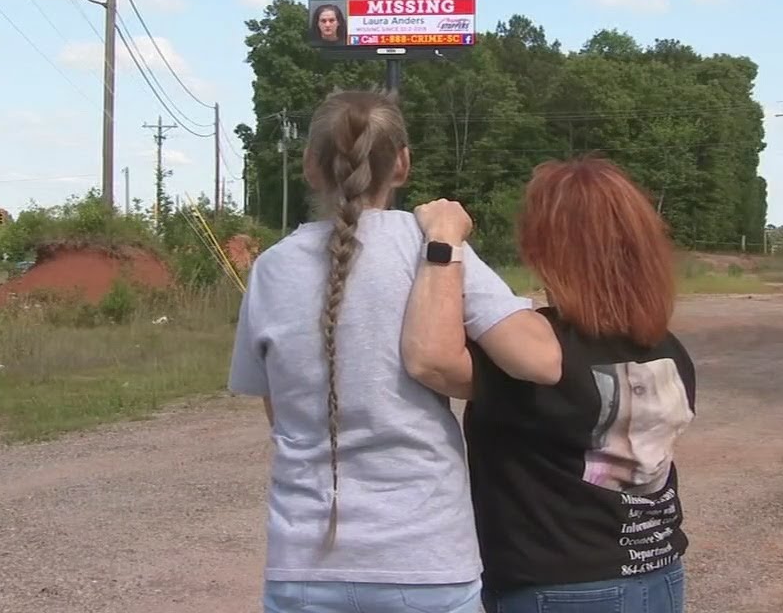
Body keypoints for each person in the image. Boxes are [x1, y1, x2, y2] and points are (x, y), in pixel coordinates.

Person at [227, 88, 561, 613]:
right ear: (402, 164)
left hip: (304, 565)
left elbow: (280, 413)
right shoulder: (432, 247)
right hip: (425, 558)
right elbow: (540, 360)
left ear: (310, 166)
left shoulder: (271, 268)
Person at [402, 157, 697, 613]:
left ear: (543, 249)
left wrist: (444, 239)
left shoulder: (538, 350)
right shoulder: (667, 349)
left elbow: (431, 360)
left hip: (559, 589)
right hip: (659, 575)